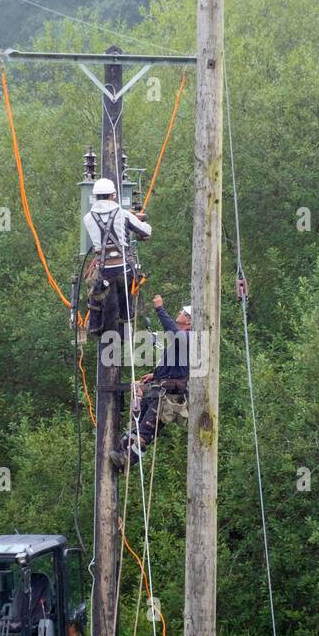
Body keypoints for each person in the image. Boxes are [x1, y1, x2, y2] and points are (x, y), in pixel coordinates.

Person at [111, 295, 191, 469]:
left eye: (183, 312)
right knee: (136, 428)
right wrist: (154, 375)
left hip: (167, 396)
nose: (179, 312)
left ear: (189, 321)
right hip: (158, 391)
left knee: (145, 433)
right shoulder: (180, 341)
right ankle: (119, 455)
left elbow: (171, 330)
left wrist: (160, 309)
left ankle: (127, 460)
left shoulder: (189, 338)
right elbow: (170, 365)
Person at [83, 177, 151, 330]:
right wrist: (138, 219)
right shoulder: (123, 214)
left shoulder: (88, 218)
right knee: (126, 301)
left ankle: (95, 325)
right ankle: (125, 325)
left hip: (103, 271)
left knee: (96, 298)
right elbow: (146, 231)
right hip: (124, 270)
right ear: (113, 195)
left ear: (95, 196)